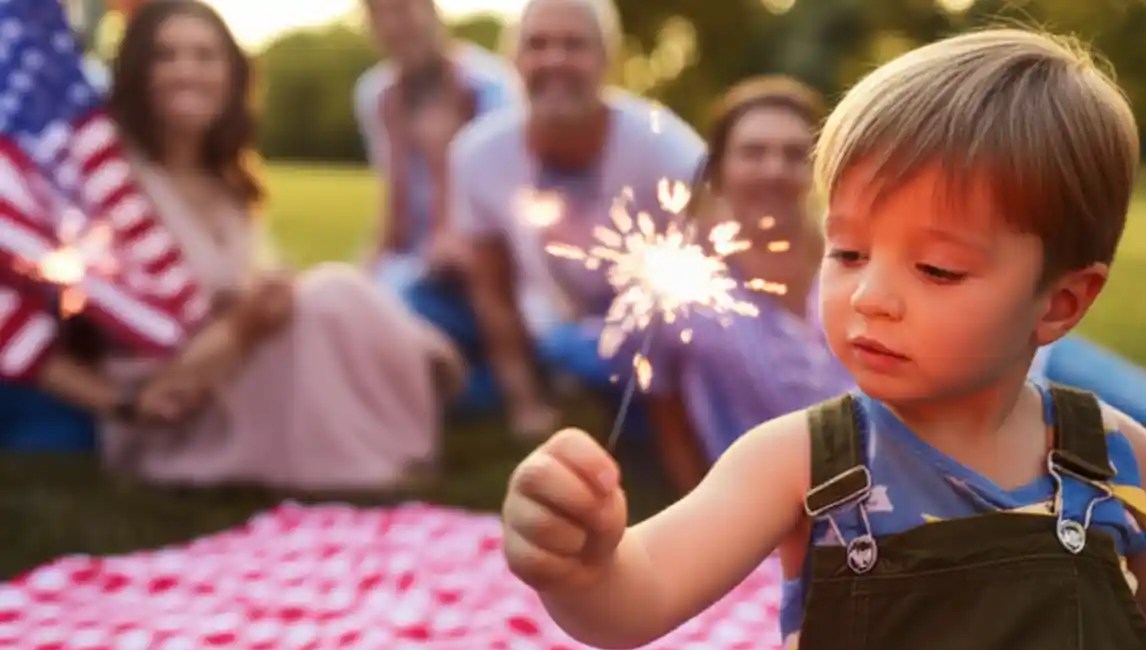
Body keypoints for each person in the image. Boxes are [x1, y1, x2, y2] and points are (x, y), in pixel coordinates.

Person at [501, 29, 1146, 650]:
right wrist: (582, 568)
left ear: (1060, 303)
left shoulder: (1123, 464)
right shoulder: (796, 461)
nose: (869, 297)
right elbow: (638, 596)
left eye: (935, 267)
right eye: (848, 253)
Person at [644, 74, 1146, 605]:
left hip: (1038, 358)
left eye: (792, 153)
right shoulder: (686, 295)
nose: (774, 169)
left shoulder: (862, 241)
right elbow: (658, 398)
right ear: (719, 167)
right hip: (945, 457)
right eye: (754, 151)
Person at [98, 0, 463, 489]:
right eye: (166, 56)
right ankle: (422, 372)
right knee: (332, 293)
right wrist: (245, 319)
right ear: (138, 72)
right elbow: (142, 337)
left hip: (242, 356)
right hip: (178, 398)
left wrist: (260, 299)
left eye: (205, 57)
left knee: (329, 292)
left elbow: (251, 291)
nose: (187, 71)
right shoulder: (117, 182)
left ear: (230, 78)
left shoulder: (228, 184)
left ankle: (411, 394)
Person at [445, 0, 705, 438]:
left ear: (607, 60)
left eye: (574, 45)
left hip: (647, 331)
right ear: (514, 60)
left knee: (611, 371)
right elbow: (491, 290)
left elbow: (707, 283)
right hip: (543, 322)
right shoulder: (477, 154)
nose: (555, 60)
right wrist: (524, 404)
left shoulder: (667, 148)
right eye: (538, 45)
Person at [355, 0, 517, 350]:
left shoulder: (491, 88)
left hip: (486, 264)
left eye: (400, 10)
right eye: (377, 15)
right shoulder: (376, 96)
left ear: (431, 10)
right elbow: (393, 215)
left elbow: (509, 207)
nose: (392, 26)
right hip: (412, 267)